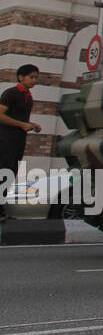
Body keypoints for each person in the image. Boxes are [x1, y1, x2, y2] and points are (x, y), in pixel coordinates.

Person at [0, 65, 40, 220]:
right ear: (20, 77)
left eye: (36, 77)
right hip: (5, 140)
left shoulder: (28, 97)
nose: (34, 80)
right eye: (31, 77)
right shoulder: (11, 93)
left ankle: (2, 209)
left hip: (18, 140)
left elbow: (21, 119)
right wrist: (22, 125)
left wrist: (32, 124)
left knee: (10, 174)